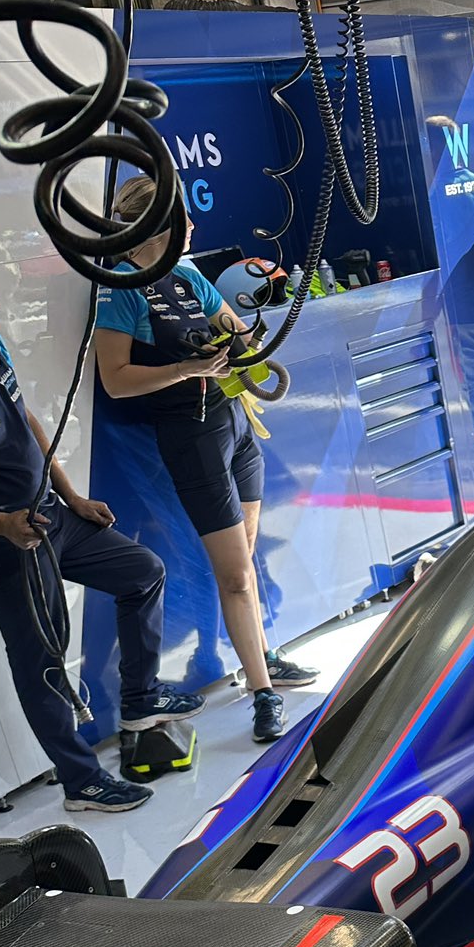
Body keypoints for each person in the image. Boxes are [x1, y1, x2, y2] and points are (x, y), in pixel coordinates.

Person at [0, 249, 201, 811]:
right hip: (5, 541)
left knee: (143, 573)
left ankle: (140, 699)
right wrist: (0, 525)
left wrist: (72, 496)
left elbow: (28, 420)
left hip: (51, 514)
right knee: (40, 655)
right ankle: (81, 782)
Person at [93, 177, 316, 747]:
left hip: (236, 425)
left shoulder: (189, 274)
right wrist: (184, 369)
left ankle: (258, 653)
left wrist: (241, 326)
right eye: (183, 221)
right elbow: (115, 381)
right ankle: (262, 693)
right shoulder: (120, 290)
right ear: (157, 231)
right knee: (236, 574)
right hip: (191, 437)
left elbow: (238, 333)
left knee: (247, 555)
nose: (193, 228)